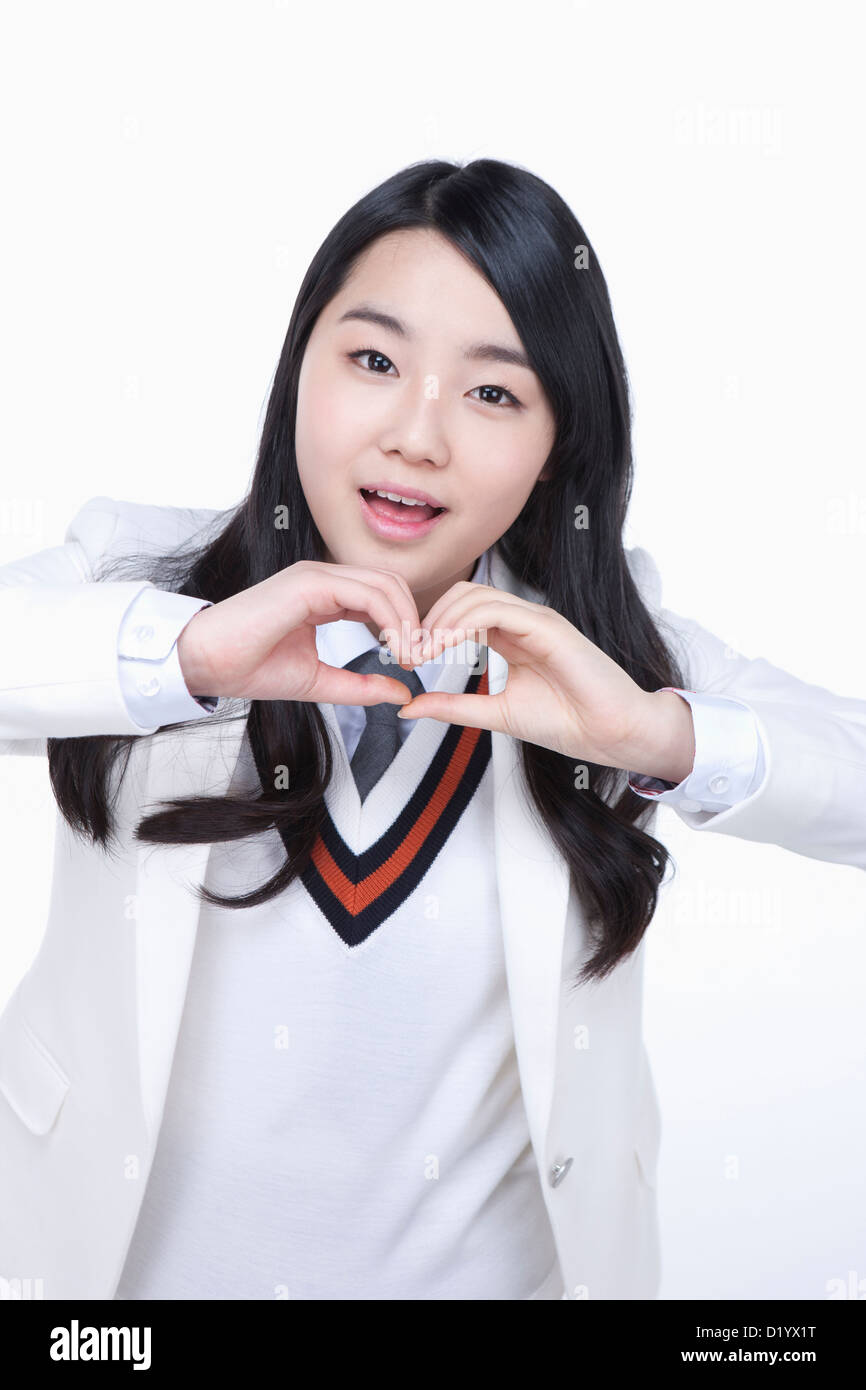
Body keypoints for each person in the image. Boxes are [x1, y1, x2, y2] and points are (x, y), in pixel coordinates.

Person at [1, 158, 863, 1302]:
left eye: (492, 393)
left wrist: (662, 738)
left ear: (560, 442)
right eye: (372, 360)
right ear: (296, 371)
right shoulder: (137, 582)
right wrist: (189, 654)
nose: (417, 436)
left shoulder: (605, 659)